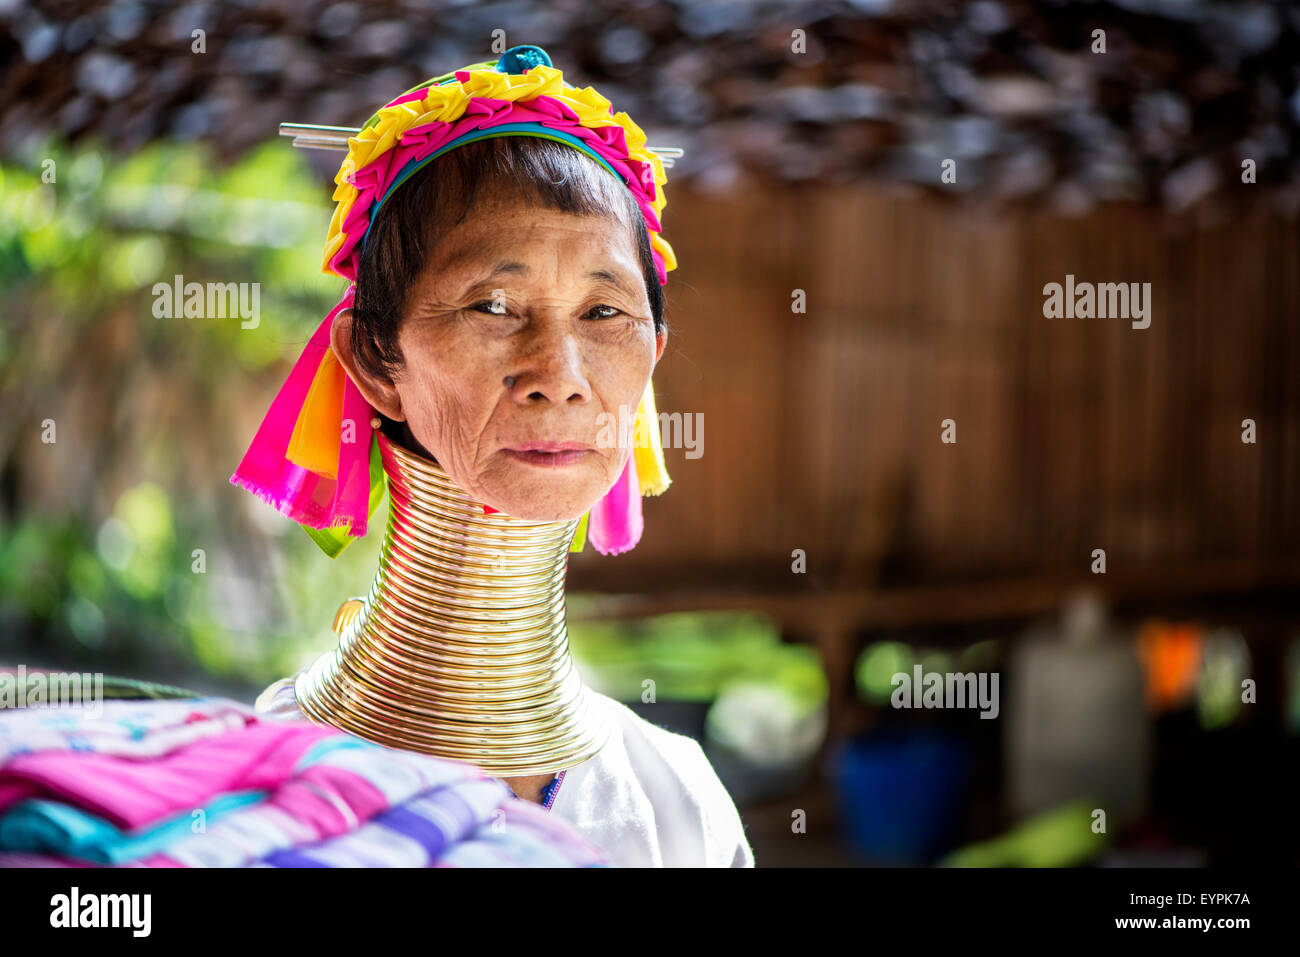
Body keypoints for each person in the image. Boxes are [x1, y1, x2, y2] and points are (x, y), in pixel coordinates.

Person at [234, 45, 754, 867]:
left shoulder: (676, 804)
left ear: (652, 352)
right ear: (375, 360)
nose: (561, 375)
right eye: (494, 304)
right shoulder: (256, 794)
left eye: (604, 311)